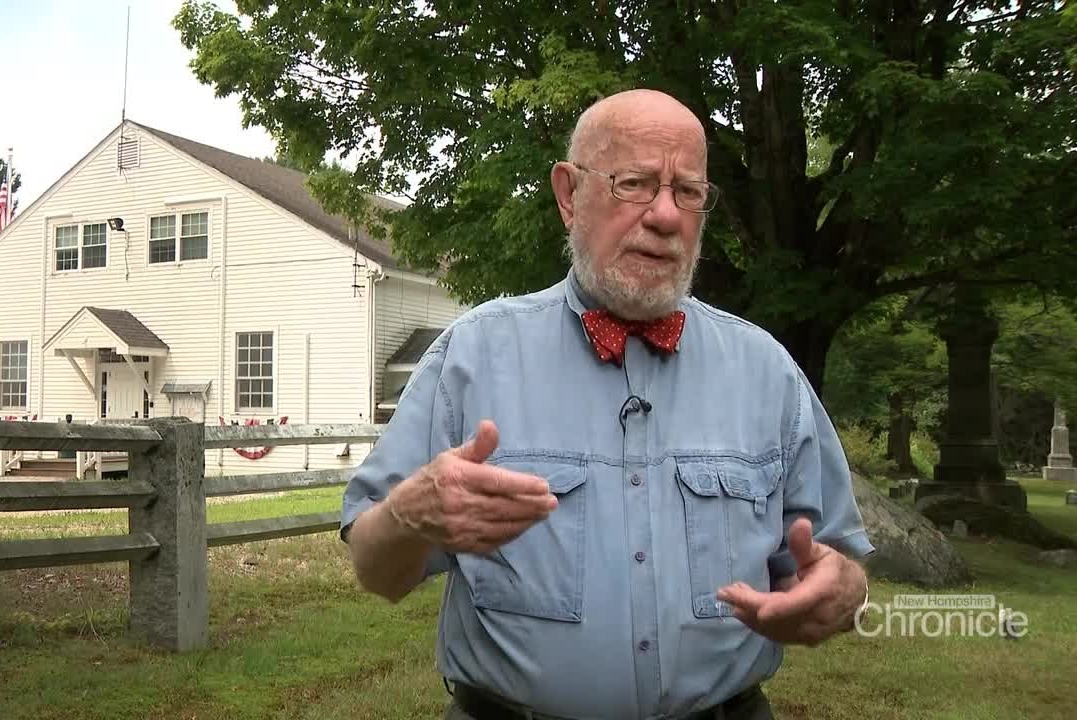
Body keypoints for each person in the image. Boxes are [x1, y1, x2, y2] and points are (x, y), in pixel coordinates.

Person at [338, 89, 874, 720]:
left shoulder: (767, 372)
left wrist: (841, 593)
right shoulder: (472, 358)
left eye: (689, 193)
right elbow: (376, 572)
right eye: (636, 184)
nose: (666, 216)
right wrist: (409, 514)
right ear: (569, 195)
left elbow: (836, 566)